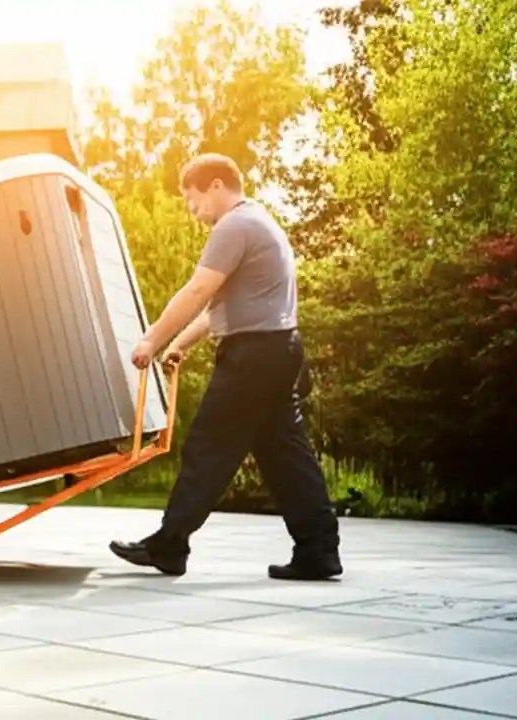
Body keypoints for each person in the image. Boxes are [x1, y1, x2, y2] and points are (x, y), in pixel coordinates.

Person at [109, 153, 343, 581]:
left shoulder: (234, 225)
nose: (192, 211)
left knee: (209, 446)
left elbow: (199, 289)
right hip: (277, 349)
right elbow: (221, 307)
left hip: (253, 355)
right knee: (284, 454)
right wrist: (178, 344)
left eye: (193, 199)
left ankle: (170, 545)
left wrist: (151, 339)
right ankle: (319, 549)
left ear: (216, 186)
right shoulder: (258, 221)